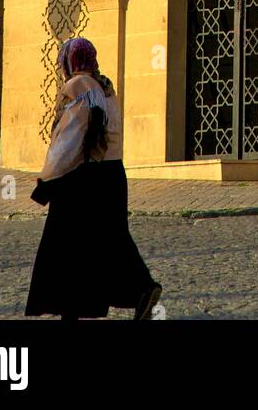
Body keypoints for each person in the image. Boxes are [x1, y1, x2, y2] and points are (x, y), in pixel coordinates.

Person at [25, 36, 161, 320]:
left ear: (69, 61)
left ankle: (72, 306)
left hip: (84, 177)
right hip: (113, 174)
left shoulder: (78, 86)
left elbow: (70, 136)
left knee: (66, 245)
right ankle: (141, 289)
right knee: (109, 238)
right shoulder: (105, 86)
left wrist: (48, 177)